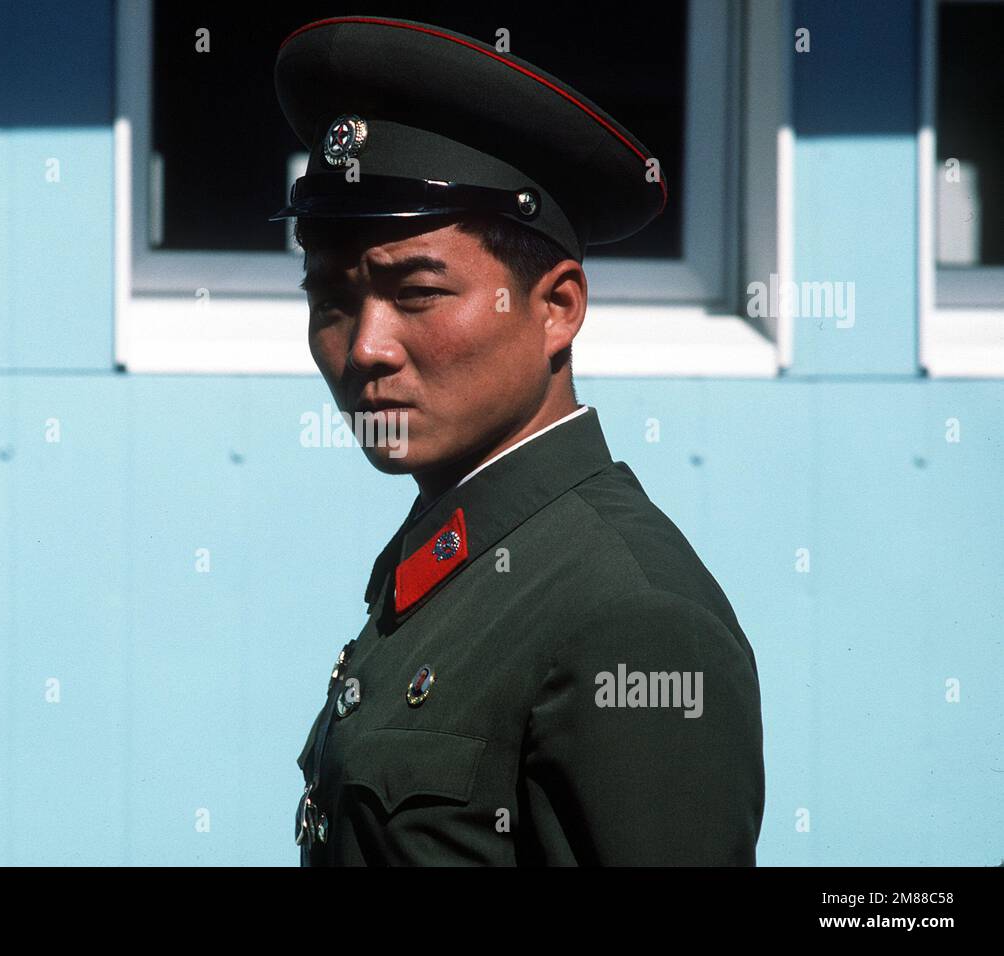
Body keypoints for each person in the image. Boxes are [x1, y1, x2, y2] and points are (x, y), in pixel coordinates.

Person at [269, 15, 765, 865]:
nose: (365, 347)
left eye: (416, 292)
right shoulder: (462, 561)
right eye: (332, 300)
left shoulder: (631, 618)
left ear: (557, 308)